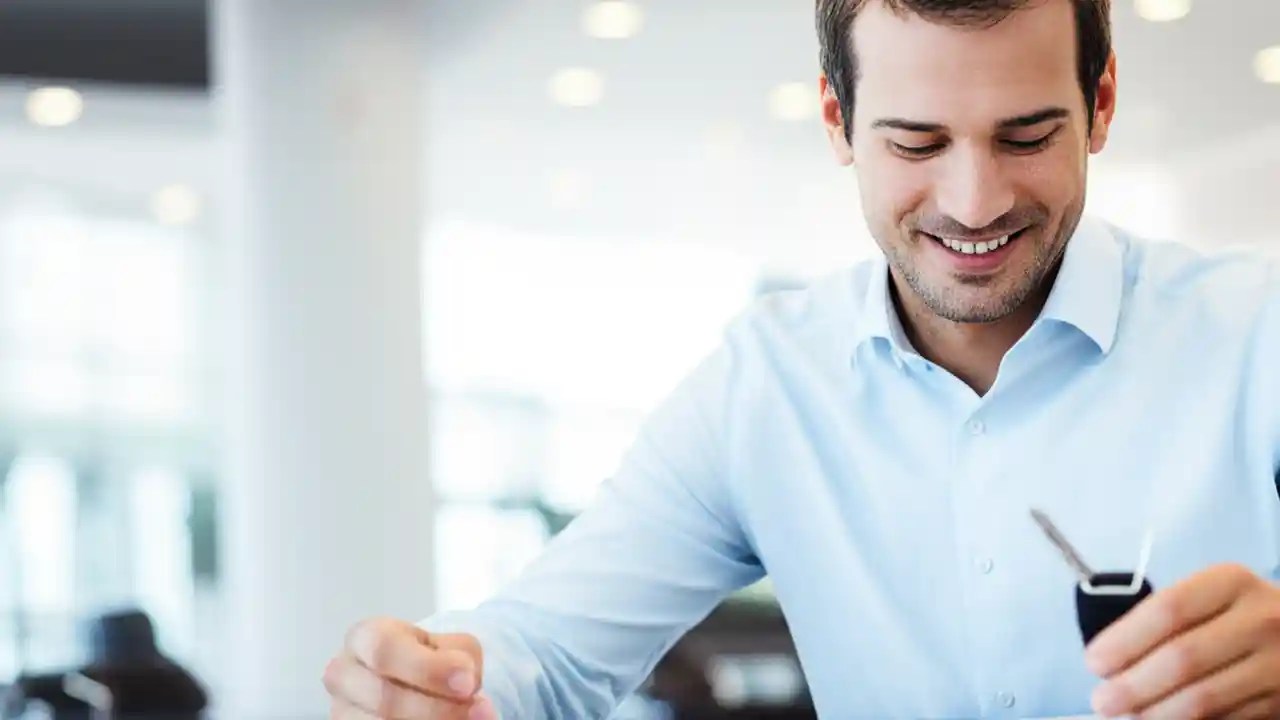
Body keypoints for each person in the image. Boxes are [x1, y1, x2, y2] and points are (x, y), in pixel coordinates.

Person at [323, 0, 1280, 717]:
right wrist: (440, 682)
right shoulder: (767, 387)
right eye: (916, 142)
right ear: (836, 120)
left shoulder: (1255, 336)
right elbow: (547, 650)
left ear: (1100, 102)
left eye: (1026, 136)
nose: (975, 199)